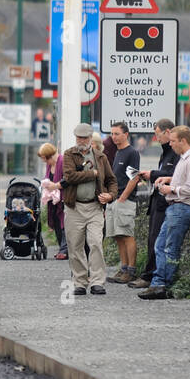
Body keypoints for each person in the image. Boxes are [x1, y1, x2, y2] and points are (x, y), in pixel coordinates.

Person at [137, 125, 190, 300]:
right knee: (160, 245)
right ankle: (158, 282)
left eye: (173, 141)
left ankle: (162, 284)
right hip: (175, 208)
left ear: (183, 140)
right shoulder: (184, 159)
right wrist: (169, 179)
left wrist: (170, 189)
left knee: (169, 247)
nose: (171, 144)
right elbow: (184, 180)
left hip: (182, 207)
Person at [63, 123, 118, 295]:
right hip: (74, 206)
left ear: (90, 139)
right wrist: (92, 175)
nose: (81, 141)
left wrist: (110, 195)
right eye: (78, 137)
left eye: (84, 138)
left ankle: (97, 282)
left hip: (94, 206)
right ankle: (79, 281)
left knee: (95, 243)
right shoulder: (69, 154)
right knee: (75, 245)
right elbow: (70, 176)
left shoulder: (100, 157)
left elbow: (112, 180)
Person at [129, 119, 178, 290]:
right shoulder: (166, 152)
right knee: (153, 240)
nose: (156, 138)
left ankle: (151, 276)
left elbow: (173, 174)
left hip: (165, 203)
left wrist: (153, 173)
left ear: (168, 132)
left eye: (158, 134)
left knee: (158, 241)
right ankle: (150, 275)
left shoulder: (175, 152)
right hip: (157, 202)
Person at [105, 121, 142, 284]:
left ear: (126, 134)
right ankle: (124, 268)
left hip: (124, 200)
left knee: (127, 234)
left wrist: (122, 198)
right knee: (118, 236)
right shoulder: (118, 152)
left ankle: (131, 270)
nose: (114, 137)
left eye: (117, 134)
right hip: (114, 199)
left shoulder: (131, 153)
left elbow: (134, 177)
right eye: (112, 134)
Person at [39, 142, 68, 259]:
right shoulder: (49, 165)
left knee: (64, 224)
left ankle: (65, 250)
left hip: (63, 198)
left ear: (50, 155)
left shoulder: (62, 161)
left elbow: (68, 180)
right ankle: (62, 248)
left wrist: (55, 186)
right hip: (53, 199)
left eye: (45, 159)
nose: (45, 162)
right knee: (56, 223)